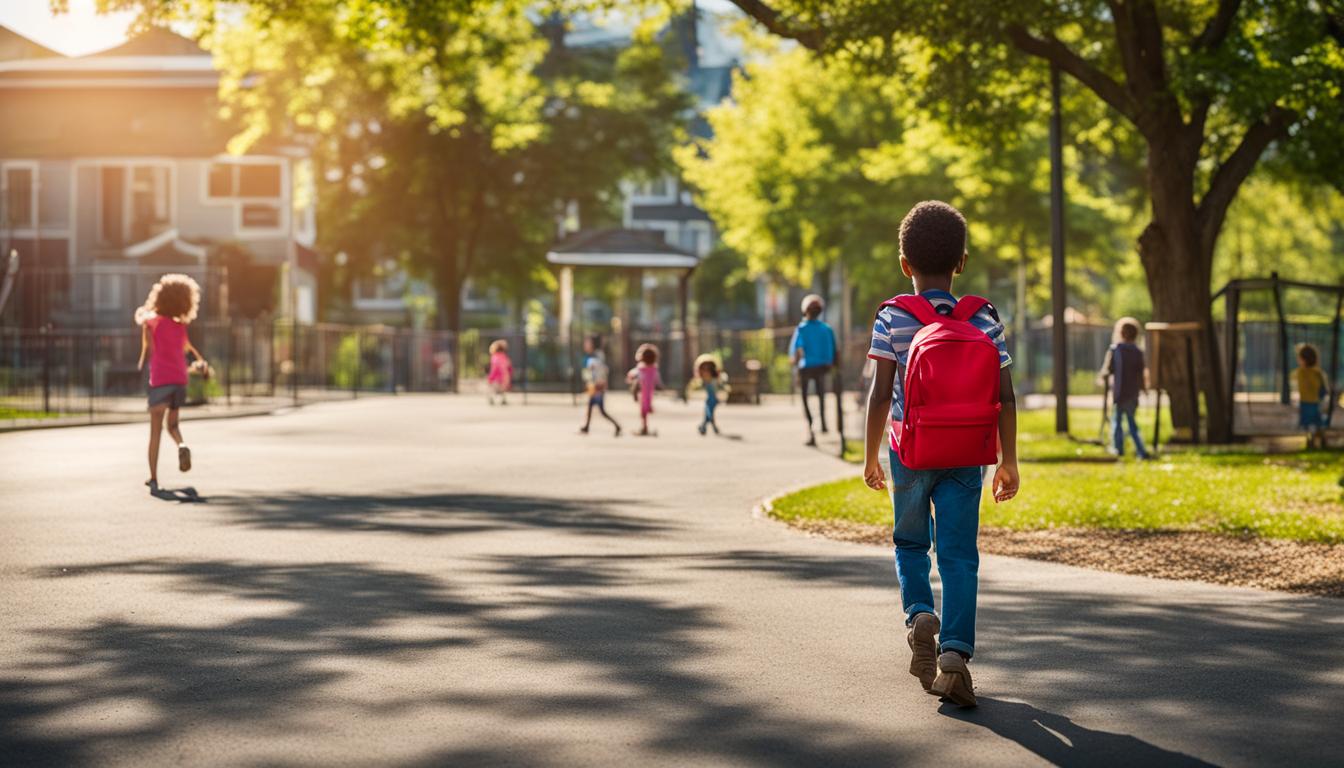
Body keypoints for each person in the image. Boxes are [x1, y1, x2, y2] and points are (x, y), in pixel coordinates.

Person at [863, 200, 1019, 708]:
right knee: (959, 555)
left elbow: (880, 393)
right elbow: (1006, 396)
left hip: (909, 451)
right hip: (968, 455)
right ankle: (954, 655)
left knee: (911, 544)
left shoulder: (892, 317)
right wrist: (1007, 460)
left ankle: (919, 614)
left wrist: (870, 456)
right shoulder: (985, 316)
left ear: (904, 264)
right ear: (962, 262)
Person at [135, 273, 207, 493]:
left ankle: (154, 478)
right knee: (173, 425)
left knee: (155, 431)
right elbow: (193, 353)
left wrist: (140, 367)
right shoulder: (180, 327)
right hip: (179, 382)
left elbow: (148, 351)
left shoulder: (151, 323)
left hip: (160, 381)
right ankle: (182, 445)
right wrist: (200, 365)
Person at [1098, 318, 1152, 459]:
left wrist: (1103, 377)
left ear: (1121, 333)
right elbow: (1141, 374)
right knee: (1132, 423)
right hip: (1132, 394)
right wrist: (1144, 389)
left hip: (1119, 393)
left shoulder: (1116, 350)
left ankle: (1118, 448)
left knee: (1117, 422)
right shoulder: (1137, 352)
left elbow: (1107, 370)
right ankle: (1140, 450)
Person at [790, 294, 838, 446]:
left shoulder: (802, 328)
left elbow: (796, 351)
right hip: (823, 367)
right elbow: (834, 349)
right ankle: (823, 423)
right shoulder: (826, 329)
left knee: (805, 399)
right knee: (821, 395)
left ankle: (811, 430)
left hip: (806, 367)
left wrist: (795, 368)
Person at [580, 334, 621, 436]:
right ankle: (586, 426)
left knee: (602, 411)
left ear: (593, 344)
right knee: (590, 407)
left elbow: (601, 370)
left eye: (588, 343)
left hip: (598, 387)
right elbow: (588, 372)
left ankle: (617, 426)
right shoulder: (591, 356)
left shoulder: (597, 355)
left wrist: (599, 382)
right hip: (594, 386)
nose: (585, 345)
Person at [626, 343, 663, 436]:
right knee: (645, 410)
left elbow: (632, 374)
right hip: (648, 392)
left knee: (643, 411)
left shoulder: (641, 368)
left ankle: (644, 428)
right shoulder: (653, 368)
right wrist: (660, 385)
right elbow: (657, 378)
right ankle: (644, 427)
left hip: (642, 392)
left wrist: (630, 379)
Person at [1296, 343, 1328, 449]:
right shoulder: (1302, 372)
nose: (1298, 360)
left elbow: (1322, 388)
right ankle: (1311, 439)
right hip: (1305, 402)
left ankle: (1318, 439)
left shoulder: (1314, 372)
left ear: (1305, 359)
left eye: (1299, 358)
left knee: (1315, 422)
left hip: (1314, 402)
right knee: (1310, 423)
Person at [689, 353, 728, 435]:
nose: (706, 371)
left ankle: (704, 427)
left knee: (709, 414)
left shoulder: (714, 380)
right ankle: (709, 427)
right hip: (710, 400)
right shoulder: (705, 381)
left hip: (713, 400)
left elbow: (721, 386)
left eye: (708, 369)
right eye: (704, 369)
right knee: (709, 414)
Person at [487, 339, 514, 405]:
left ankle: (492, 398)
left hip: (497, 377)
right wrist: (510, 375)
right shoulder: (505, 357)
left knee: (494, 389)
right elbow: (509, 367)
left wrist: (491, 377)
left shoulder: (494, 357)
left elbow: (494, 369)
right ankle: (503, 400)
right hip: (504, 376)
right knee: (502, 390)